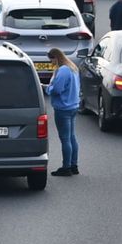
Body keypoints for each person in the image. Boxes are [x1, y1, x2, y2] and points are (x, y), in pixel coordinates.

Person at [46, 47, 81, 177]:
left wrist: (47, 89)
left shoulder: (62, 70)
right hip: (73, 106)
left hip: (63, 108)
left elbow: (57, 90)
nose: (51, 63)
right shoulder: (73, 68)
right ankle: (74, 165)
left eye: (51, 60)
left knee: (65, 139)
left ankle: (66, 167)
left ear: (55, 58)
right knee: (72, 137)